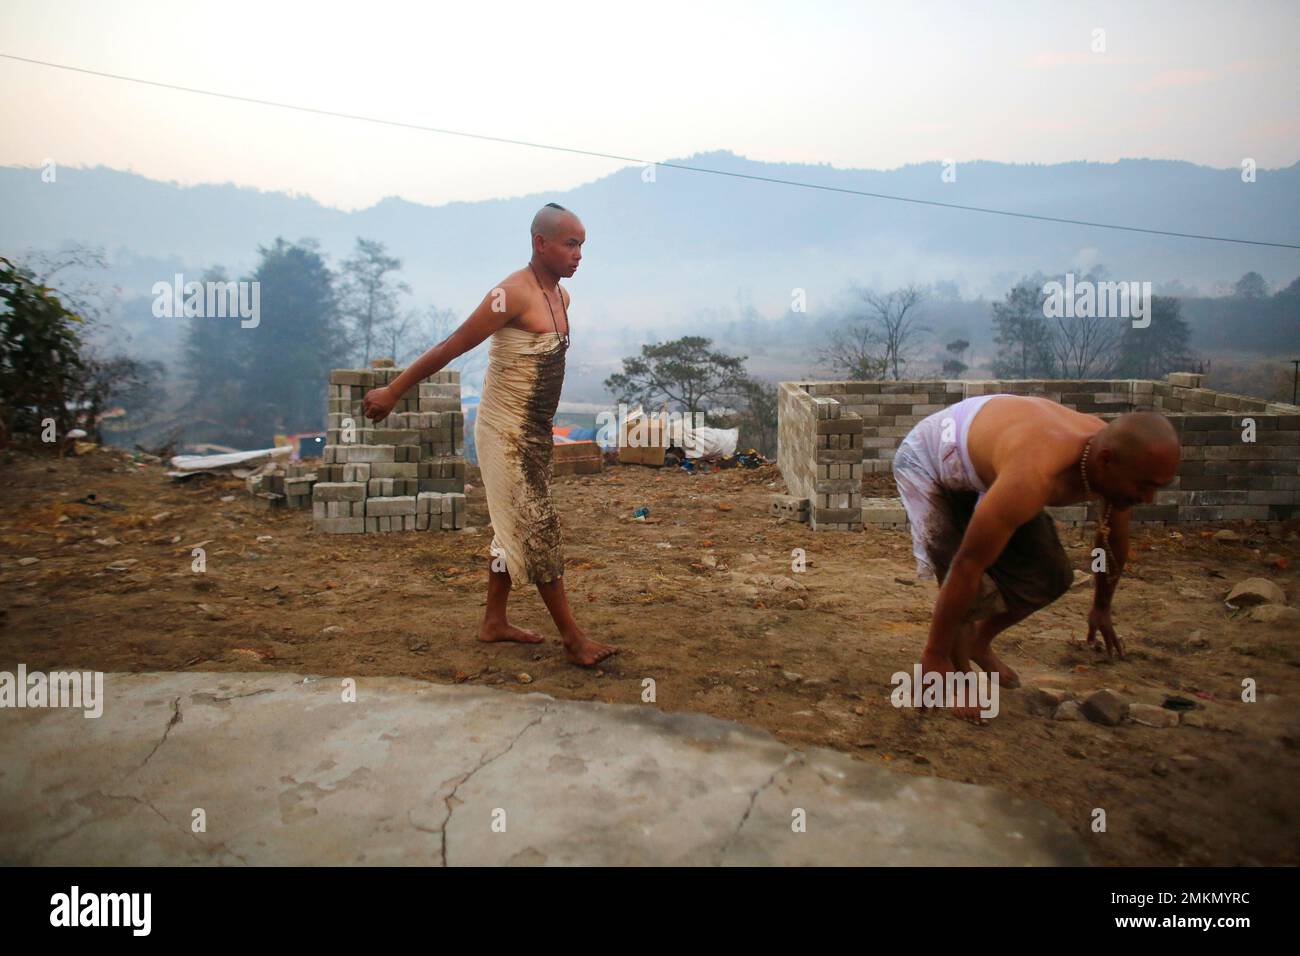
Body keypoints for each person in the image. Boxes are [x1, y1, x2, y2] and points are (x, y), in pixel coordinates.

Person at [363, 203, 617, 666]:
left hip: (535, 432)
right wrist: (394, 391)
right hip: (505, 432)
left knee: (511, 524)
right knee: (538, 526)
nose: (579, 254)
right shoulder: (510, 294)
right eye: (570, 243)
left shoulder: (561, 297)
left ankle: (494, 622)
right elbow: (451, 346)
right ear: (541, 243)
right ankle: (574, 639)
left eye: (582, 245)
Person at [892, 394, 1180, 715]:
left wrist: (1101, 606)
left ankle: (978, 641)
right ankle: (960, 676)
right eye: (1144, 486)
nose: (1149, 498)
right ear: (1106, 461)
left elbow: (1111, 541)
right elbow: (966, 568)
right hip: (930, 458)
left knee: (1052, 575)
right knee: (970, 583)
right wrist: (935, 654)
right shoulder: (1035, 475)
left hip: (995, 458)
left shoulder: (1117, 456)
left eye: (1158, 487)